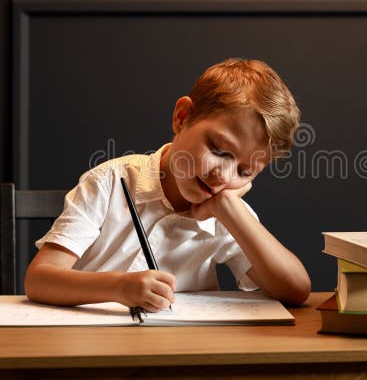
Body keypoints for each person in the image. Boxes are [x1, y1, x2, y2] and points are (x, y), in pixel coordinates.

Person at [24, 58, 311, 310]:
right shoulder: (109, 182)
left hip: (178, 355)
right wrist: (119, 288)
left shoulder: (226, 212)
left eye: (245, 171)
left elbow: (295, 290)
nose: (223, 176)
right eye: (219, 150)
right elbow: (39, 279)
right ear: (182, 117)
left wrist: (228, 209)